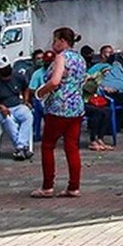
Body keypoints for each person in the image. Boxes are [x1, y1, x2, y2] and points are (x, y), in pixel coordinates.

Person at [31, 27, 86, 198]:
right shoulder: (80, 59)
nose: (52, 44)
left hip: (58, 107)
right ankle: (74, 186)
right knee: (72, 147)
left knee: (48, 146)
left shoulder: (61, 58)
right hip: (76, 107)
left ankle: (48, 186)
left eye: (55, 40)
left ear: (62, 41)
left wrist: (41, 91)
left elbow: (55, 81)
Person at [0, 60, 34, 160]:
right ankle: (22, 148)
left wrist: (26, 100)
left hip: (17, 105)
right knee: (8, 119)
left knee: (28, 116)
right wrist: (0, 106)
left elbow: (26, 87)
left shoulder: (17, 76)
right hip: (0, 109)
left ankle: (20, 147)